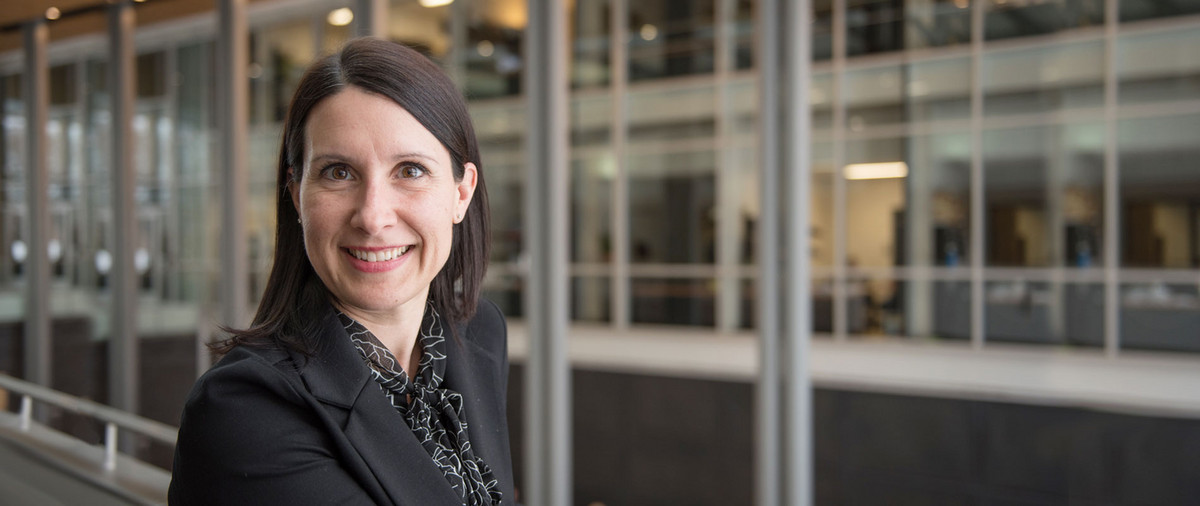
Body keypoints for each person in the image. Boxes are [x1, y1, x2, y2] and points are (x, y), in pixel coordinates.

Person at [169, 38, 514, 505]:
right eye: (338, 172)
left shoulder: (478, 334)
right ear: (295, 194)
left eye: (410, 171)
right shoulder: (244, 410)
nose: (373, 217)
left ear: (461, 192)